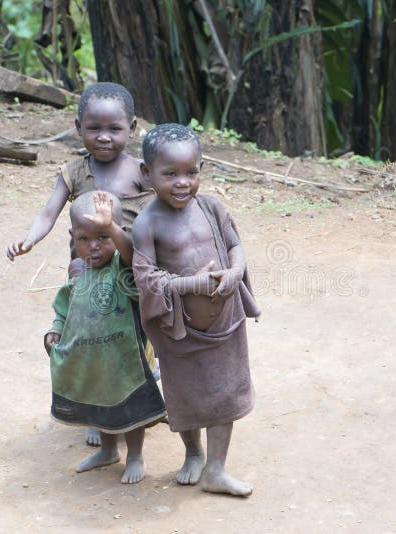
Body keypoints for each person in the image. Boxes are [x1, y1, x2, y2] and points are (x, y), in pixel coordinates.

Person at [6, 82, 156, 445]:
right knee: (89, 337)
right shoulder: (73, 172)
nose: (104, 137)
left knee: (136, 334)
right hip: (87, 270)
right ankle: (95, 408)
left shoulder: (143, 170)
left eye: (115, 129)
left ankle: (142, 394)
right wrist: (29, 238)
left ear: (132, 128)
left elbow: (164, 211)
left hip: (130, 269)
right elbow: (49, 213)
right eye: (94, 128)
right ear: (78, 128)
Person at [132, 124, 260, 497]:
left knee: (224, 395)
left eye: (191, 172)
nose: (182, 182)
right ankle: (193, 452)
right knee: (185, 394)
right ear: (147, 174)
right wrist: (192, 285)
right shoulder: (147, 223)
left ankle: (216, 469)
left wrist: (234, 272)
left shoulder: (212, 207)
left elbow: (236, 246)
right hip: (180, 329)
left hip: (224, 321)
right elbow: (147, 278)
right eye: (170, 174)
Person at [44, 191, 165, 484]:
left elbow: (131, 254)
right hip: (93, 364)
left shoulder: (122, 269)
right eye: (84, 239)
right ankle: (108, 451)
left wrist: (113, 227)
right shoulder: (79, 276)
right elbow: (64, 309)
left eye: (103, 237)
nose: (94, 247)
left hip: (126, 364)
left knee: (130, 412)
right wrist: (54, 331)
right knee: (99, 410)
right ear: (73, 238)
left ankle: (135, 456)